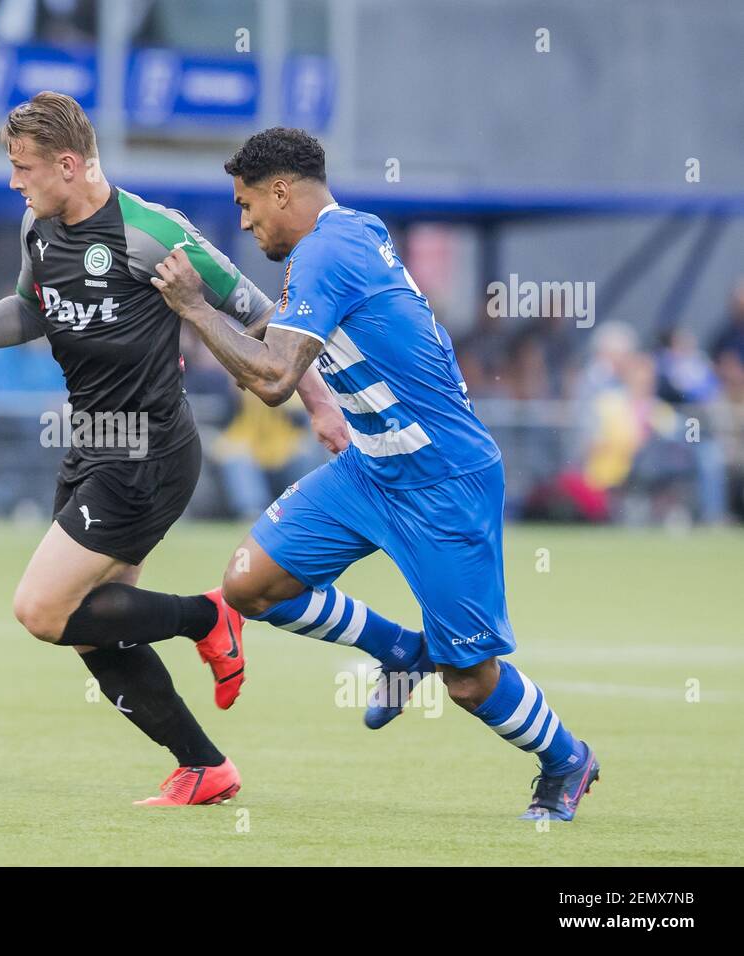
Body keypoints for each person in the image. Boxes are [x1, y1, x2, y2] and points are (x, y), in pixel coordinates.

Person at [0, 92, 348, 805]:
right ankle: (204, 768)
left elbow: (262, 316)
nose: (14, 182)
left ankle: (209, 616)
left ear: (68, 165)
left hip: (148, 452)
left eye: (23, 168)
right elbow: (32, 311)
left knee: (41, 610)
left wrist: (319, 406)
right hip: (91, 446)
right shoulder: (38, 227)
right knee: (95, 626)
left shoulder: (152, 232)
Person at [153, 127, 599, 822]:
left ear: (281, 191)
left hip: (443, 480)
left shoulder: (326, 251)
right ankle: (400, 651)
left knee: (469, 680)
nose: (244, 222)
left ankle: (566, 759)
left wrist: (193, 307)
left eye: (246, 204)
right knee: (249, 585)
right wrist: (329, 402)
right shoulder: (351, 230)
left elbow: (271, 378)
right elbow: (324, 339)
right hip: (370, 468)